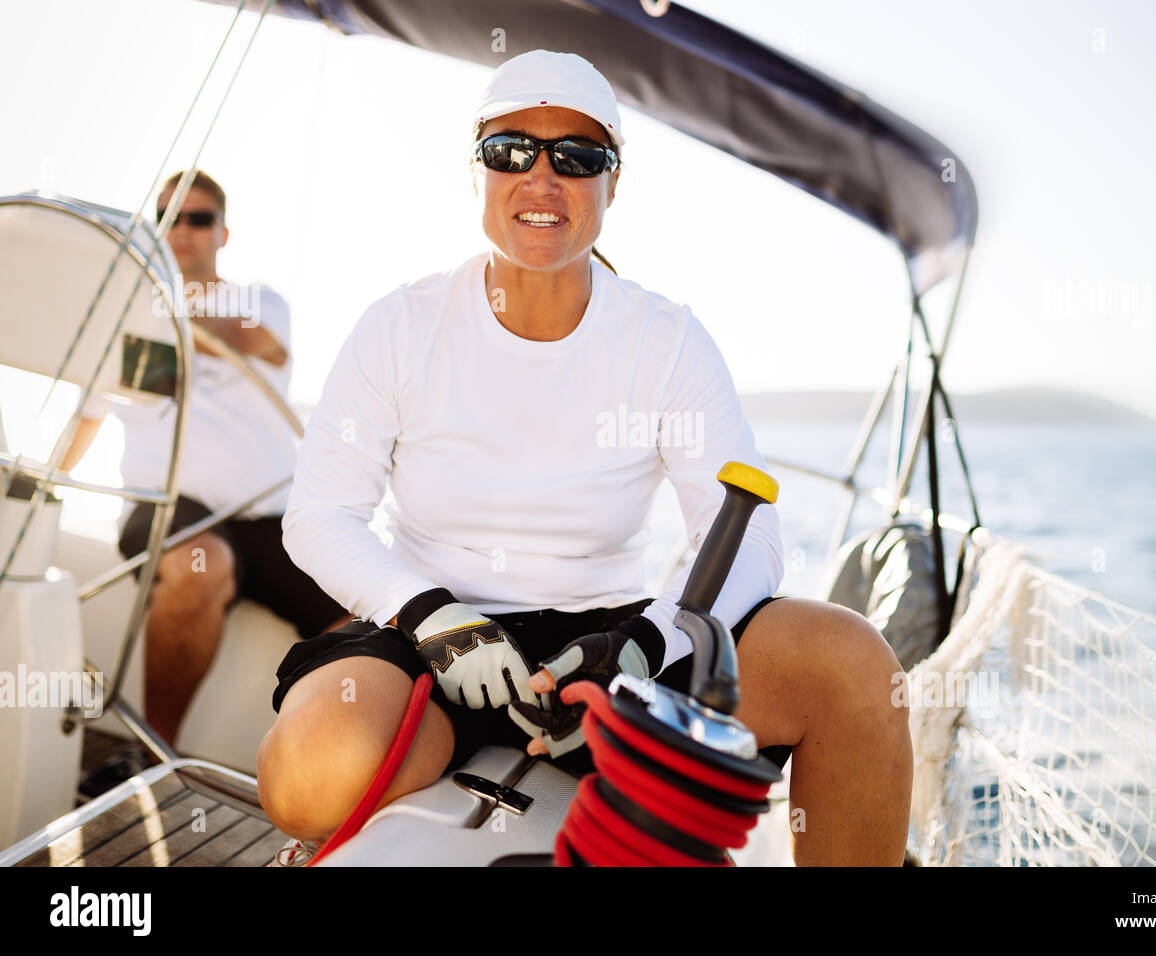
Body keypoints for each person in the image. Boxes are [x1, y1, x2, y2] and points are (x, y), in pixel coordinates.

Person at [256, 51, 912, 866]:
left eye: (577, 156)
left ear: (612, 182)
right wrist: (432, 616)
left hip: (612, 644)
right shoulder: (400, 325)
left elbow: (752, 538)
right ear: (475, 174)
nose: (541, 176)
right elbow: (321, 516)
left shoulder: (667, 339)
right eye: (509, 151)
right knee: (307, 779)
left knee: (852, 667)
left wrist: (644, 644)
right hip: (425, 631)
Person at [66, 171, 349, 783]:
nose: (182, 232)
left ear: (223, 231)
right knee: (204, 564)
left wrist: (181, 307)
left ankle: (320, 780)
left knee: (362, 620)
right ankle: (149, 759)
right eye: (168, 218)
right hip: (170, 508)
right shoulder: (123, 317)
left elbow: (261, 344)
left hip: (267, 519)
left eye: (198, 219)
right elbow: (87, 418)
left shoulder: (256, 300)